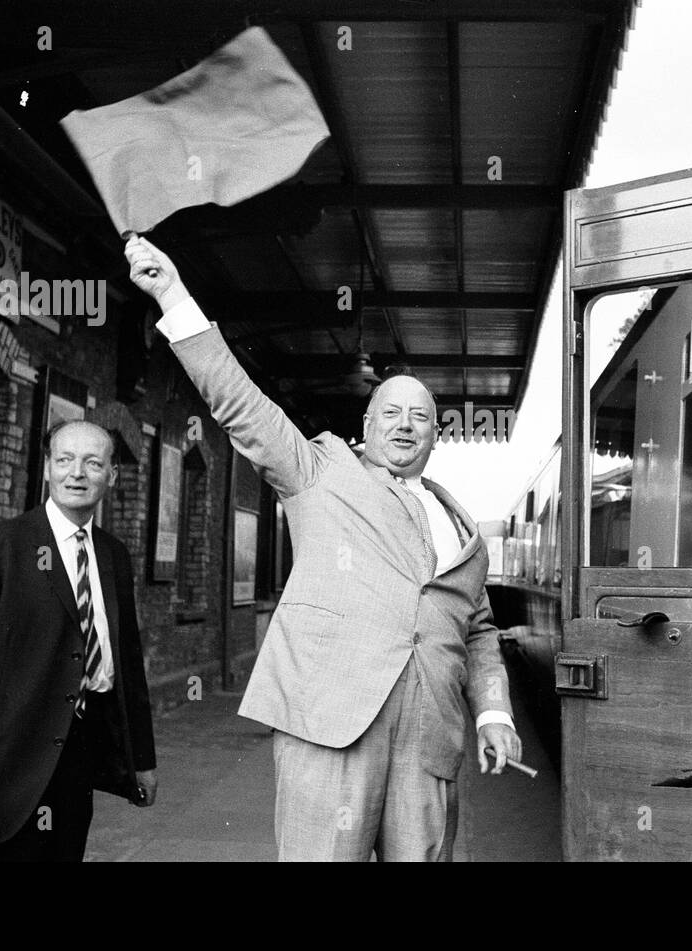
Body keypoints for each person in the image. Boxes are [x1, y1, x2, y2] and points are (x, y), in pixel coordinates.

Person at [124, 235, 521, 862]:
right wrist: (173, 294)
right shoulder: (320, 471)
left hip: (429, 742)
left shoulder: (460, 525)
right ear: (365, 424)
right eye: (390, 412)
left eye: (420, 417)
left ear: (435, 435)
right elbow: (240, 405)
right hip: (334, 722)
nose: (404, 425)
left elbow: (477, 632)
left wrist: (492, 714)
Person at [0, 420, 157, 861]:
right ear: (47, 468)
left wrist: (140, 757)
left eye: (92, 463)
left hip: (76, 760)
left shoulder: (113, 556)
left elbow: (124, 661)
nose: (77, 474)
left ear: (112, 475)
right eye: (64, 460)